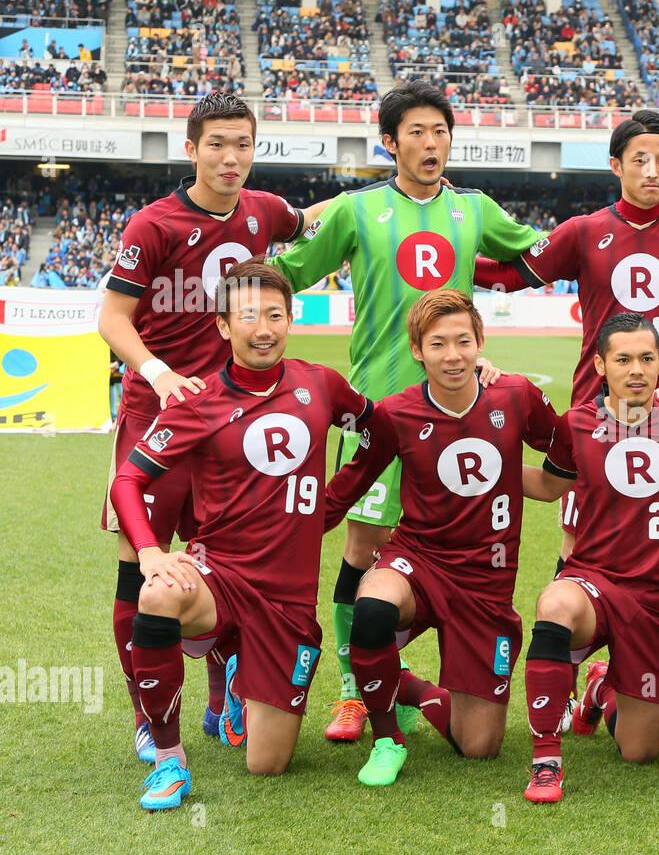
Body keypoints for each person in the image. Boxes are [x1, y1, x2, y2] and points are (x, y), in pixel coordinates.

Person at [268, 80, 545, 742]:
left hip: (458, 416)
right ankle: (352, 692)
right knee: (362, 550)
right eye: (416, 132)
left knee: (455, 545)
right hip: (377, 418)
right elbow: (288, 274)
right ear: (389, 142)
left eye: (440, 131)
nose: (430, 143)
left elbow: (533, 257)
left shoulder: (475, 208)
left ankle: (442, 677)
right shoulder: (358, 212)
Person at [98, 92, 326, 764]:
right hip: (157, 421)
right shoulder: (153, 224)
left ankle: (220, 698)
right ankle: (148, 715)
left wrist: (388, 192)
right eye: (217, 144)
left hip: (233, 427)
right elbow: (112, 319)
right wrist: (160, 373)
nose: (231, 158)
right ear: (190, 148)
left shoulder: (264, 212)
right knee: (141, 573)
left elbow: (309, 222)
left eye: (243, 144)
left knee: (224, 565)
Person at [108, 261, 373, 810]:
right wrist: (152, 550)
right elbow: (129, 481)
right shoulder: (196, 400)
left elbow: (380, 434)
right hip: (220, 576)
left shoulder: (321, 384)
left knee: (267, 765)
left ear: (291, 319)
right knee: (154, 594)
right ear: (224, 326)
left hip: (287, 603)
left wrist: (334, 502)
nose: (264, 328)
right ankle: (167, 759)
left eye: (275, 314)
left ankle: (238, 663)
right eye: (248, 316)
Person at [474, 109, 659, 567]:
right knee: (578, 535)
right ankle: (566, 625)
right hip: (593, 407)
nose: (652, 170)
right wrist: (450, 254)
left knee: (657, 537)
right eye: (640, 159)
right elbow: (512, 276)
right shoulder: (583, 231)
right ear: (616, 165)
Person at [322, 289, 556, 785]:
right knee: (373, 606)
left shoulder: (516, 396)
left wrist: (633, 411)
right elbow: (349, 484)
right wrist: (293, 524)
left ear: (480, 342)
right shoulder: (394, 413)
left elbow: (568, 446)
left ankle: (406, 687)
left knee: (480, 748)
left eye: (463, 342)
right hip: (418, 560)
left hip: (485, 582)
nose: (452, 355)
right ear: (417, 350)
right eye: (438, 344)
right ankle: (388, 737)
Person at [518, 313, 659, 803]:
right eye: (623, 359)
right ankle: (547, 760)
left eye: (646, 358)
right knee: (556, 604)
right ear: (601, 366)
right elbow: (548, 486)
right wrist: (480, 459)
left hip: (658, 601)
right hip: (594, 583)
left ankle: (600, 691)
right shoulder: (579, 423)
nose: (636, 369)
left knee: (640, 751)